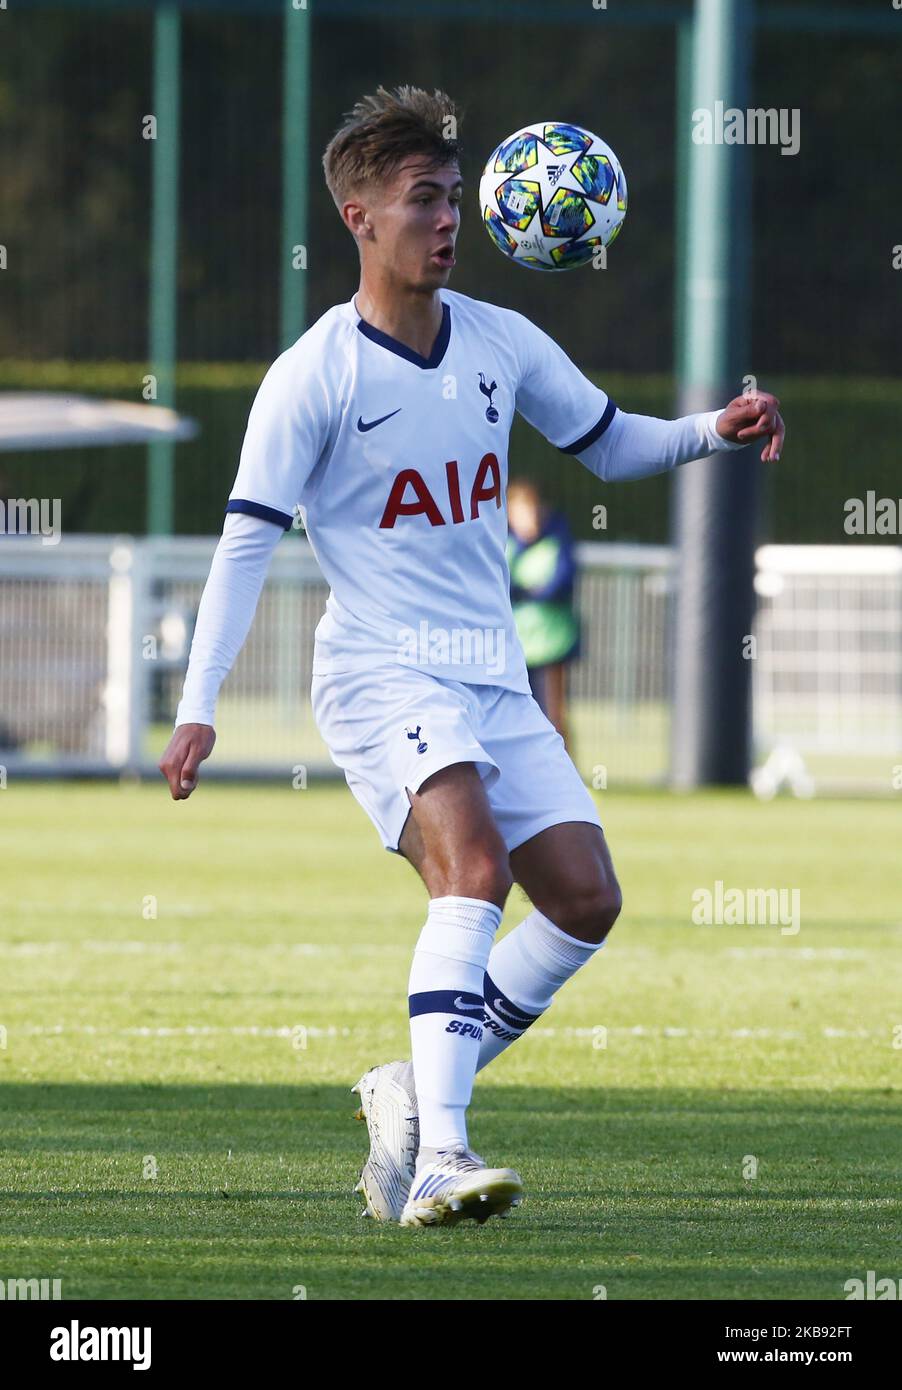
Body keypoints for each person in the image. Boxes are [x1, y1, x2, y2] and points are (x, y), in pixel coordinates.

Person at [158, 85, 785, 1229]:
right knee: (474, 871)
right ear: (358, 217)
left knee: (586, 899)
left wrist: (710, 430)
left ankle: (410, 1085)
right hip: (380, 672)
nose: (446, 221)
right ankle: (439, 1155)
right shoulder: (314, 375)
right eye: (421, 201)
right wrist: (200, 704)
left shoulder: (500, 339)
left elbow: (604, 443)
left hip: (490, 674)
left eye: (452, 198)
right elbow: (244, 541)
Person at [506, 478, 580, 749]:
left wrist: (526, 592)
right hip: (514, 647)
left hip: (550, 644)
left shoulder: (557, 539)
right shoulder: (504, 543)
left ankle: (565, 775)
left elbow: (561, 583)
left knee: (553, 715)